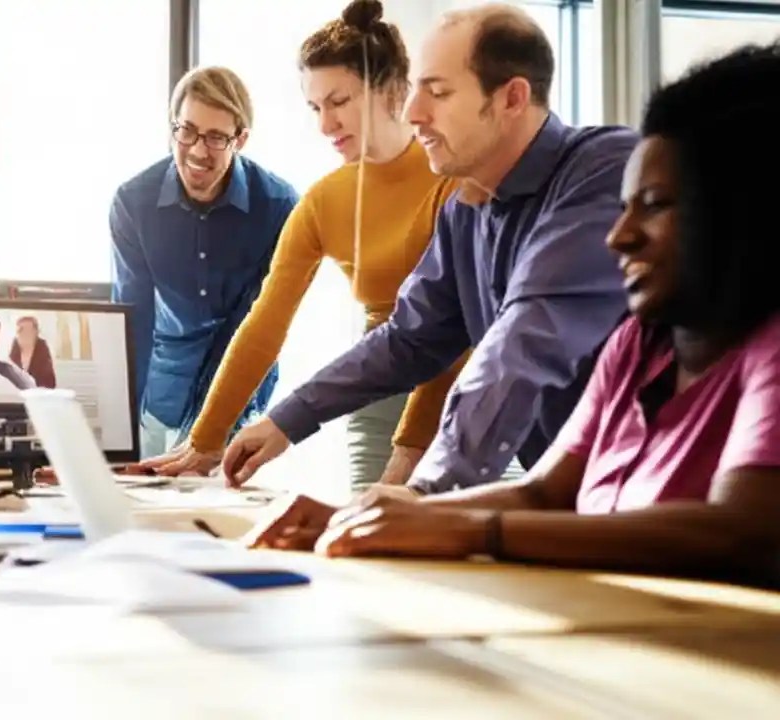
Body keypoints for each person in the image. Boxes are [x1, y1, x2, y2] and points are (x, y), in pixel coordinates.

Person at [246, 42, 780, 584]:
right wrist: (368, 514)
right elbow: (543, 492)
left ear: (509, 99)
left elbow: (744, 531)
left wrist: (444, 508)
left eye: (656, 205)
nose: (619, 237)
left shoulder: (595, 169)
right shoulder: (633, 344)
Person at [222, 3, 637, 494]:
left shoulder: (605, 172)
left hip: (652, 499)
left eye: (437, 92)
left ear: (512, 98)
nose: (412, 112)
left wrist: (419, 492)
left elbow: (522, 347)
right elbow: (407, 339)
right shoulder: (465, 210)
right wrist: (285, 420)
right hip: (574, 497)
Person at [146, 0, 468, 488]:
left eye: (338, 102)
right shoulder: (324, 201)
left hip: (470, 390)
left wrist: (408, 456)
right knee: (360, 528)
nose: (324, 124)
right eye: (315, 108)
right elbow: (265, 323)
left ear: (389, 89)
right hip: (382, 392)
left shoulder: (455, 175)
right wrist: (206, 439)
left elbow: (457, 327)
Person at [110, 66, 300, 459]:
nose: (198, 150)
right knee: (140, 486)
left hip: (238, 385)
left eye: (216, 137)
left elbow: (254, 323)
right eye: (188, 131)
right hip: (162, 385)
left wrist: (208, 432)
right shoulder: (133, 203)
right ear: (172, 128)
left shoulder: (279, 207)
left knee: (219, 492)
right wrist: (118, 432)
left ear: (240, 139)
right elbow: (133, 319)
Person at [9, 315, 57, 388]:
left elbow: (50, 383)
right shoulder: (14, 348)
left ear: (36, 332)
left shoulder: (42, 348)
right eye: (20, 330)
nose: (23, 334)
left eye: (27, 330)